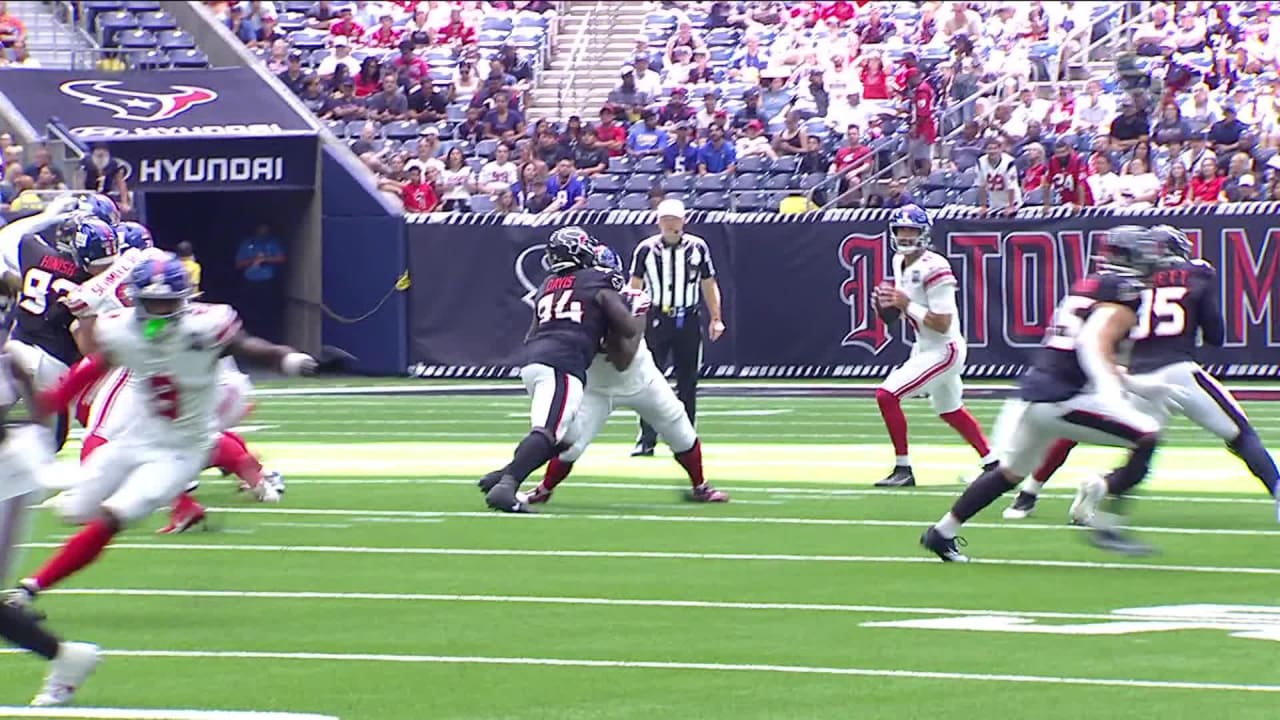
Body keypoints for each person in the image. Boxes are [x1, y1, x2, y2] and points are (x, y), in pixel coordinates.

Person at [7, 255, 317, 609]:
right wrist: (55, 400)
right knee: (73, 511)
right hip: (136, 436)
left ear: (183, 300)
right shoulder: (121, 328)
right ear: (137, 300)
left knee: (114, 515)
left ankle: (29, 589)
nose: (160, 312)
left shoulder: (204, 327)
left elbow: (250, 347)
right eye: (152, 303)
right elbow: (96, 365)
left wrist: (291, 360)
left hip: (180, 450)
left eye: (167, 303)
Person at [920, 227, 1174, 561]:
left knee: (1010, 473)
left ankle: (941, 532)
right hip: (1061, 397)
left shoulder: (1092, 284)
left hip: (1037, 393)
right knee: (1147, 435)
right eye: (1144, 252)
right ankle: (1107, 525)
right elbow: (1092, 344)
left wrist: (1136, 385)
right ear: (1127, 257)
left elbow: (1088, 348)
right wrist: (1113, 393)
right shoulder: (1123, 291)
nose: (1151, 259)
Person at [1003, 226, 1280, 521]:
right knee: (1240, 434)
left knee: (1086, 432)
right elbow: (1216, 335)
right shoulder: (1197, 274)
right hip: (1178, 370)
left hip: (1136, 376)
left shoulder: (1128, 284)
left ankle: (1036, 491)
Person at [523, 246, 728, 505]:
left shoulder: (632, 299)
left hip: (641, 380)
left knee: (680, 430)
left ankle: (700, 485)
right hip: (596, 387)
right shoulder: (572, 305)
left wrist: (598, 337)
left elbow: (624, 359)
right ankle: (544, 488)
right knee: (570, 444)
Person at [478, 228, 641, 513]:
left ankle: (505, 473)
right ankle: (506, 488)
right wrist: (623, 317)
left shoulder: (548, 284)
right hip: (563, 363)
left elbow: (533, 331)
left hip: (534, 360)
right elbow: (627, 327)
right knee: (549, 431)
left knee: (569, 437)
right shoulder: (598, 279)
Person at [870, 205, 997, 487]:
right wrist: (884, 307)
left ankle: (903, 468)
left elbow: (941, 323)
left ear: (924, 233)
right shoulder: (899, 261)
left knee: (887, 395)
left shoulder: (936, 267)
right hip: (925, 346)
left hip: (944, 348)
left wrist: (906, 304)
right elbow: (895, 316)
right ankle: (993, 463)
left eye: (912, 230)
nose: (905, 235)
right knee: (949, 409)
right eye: (901, 230)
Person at [628, 199, 725, 457]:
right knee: (649, 379)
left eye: (675, 219)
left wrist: (716, 317)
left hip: (688, 317)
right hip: (657, 319)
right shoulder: (646, 250)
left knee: (687, 380)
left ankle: (686, 439)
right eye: (666, 219)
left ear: (684, 220)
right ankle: (647, 438)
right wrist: (631, 321)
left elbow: (708, 283)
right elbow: (634, 287)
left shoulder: (698, 247)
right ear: (658, 222)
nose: (671, 224)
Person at [975, 137, 1022, 216]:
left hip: (1012, 202)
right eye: (989, 149)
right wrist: (983, 206)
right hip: (994, 203)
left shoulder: (1009, 162)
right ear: (985, 150)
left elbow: (1011, 187)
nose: (992, 151)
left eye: (995, 148)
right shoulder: (981, 162)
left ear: (1000, 149)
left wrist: (1011, 206)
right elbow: (982, 186)